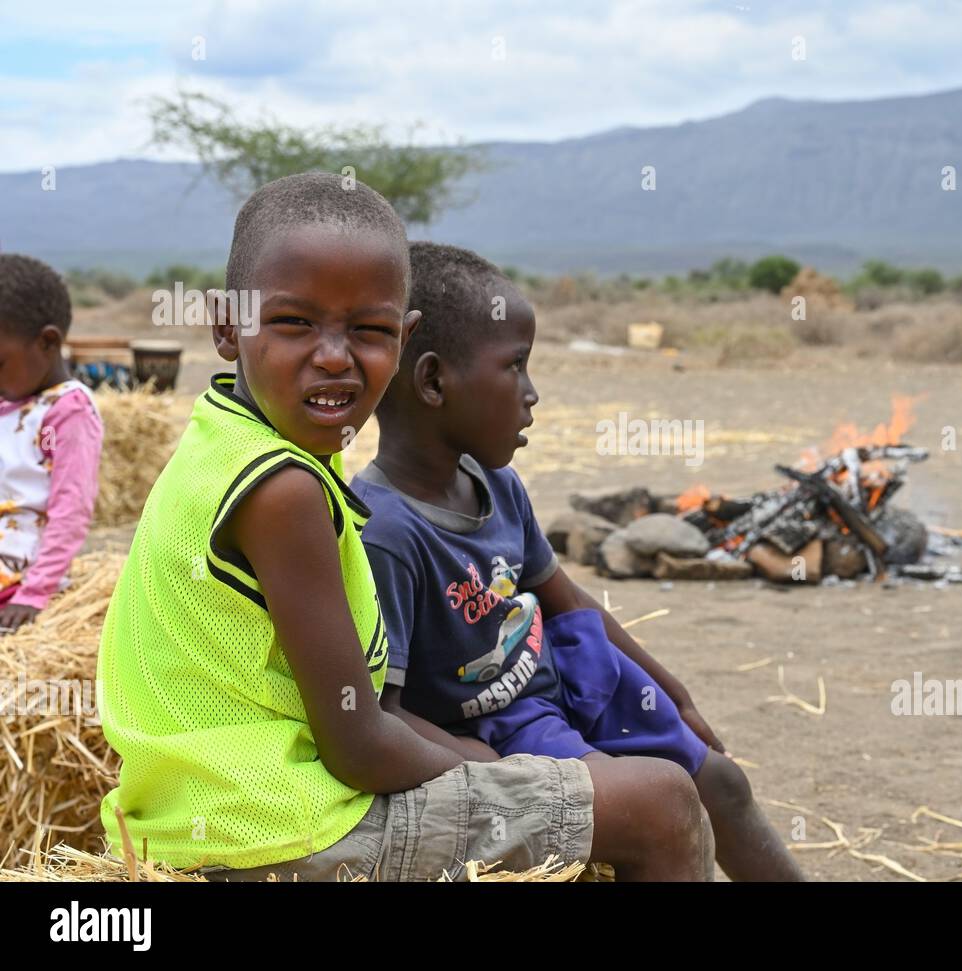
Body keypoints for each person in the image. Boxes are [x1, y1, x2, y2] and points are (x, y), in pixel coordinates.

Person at [96, 173, 713, 882]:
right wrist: (486, 762)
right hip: (286, 833)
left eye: (369, 330)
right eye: (295, 322)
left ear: (404, 337)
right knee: (662, 803)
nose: (335, 355)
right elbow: (358, 745)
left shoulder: (217, 440)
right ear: (227, 326)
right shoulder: (284, 489)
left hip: (196, 819)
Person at [354, 242, 803, 881]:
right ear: (433, 382)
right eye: (515, 368)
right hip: (506, 729)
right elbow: (387, 710)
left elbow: (569, 602)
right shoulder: (387, 533)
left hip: (576, 675)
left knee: (721, 782)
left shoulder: (495, 484)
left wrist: (674, 695)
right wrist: (492, 770)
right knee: (663, 813)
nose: (532, 394)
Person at [0, 254, 103, 633]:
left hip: (18, 574)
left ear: (47, 342)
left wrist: (34, 593)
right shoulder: (11, 398)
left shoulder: (66, 411)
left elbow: (71, 511)